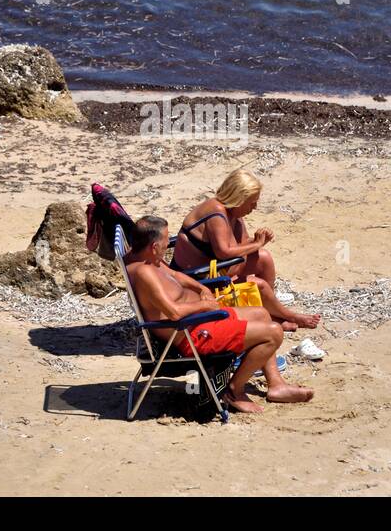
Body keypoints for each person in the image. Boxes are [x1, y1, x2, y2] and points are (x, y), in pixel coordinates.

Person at [125, 216, 313, 413]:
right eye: (165, 242)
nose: (167, 245)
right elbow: (173, 312)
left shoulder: (147, 258)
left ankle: (276, 385)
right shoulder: (144, 273)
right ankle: (233, 390)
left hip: (198, 322)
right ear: (154, 246)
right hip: (190, 335)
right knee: (274, 332)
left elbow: (175, 275)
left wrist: (201, 289)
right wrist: (203, 306)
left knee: (262, 314)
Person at [171, 168, 320, 331]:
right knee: (259, 285)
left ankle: (272, 313)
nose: (254, 207)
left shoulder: (232, 212)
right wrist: (256, 244)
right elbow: (224, 252)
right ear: (239, 198)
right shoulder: (216, 212)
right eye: (252, 202)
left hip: (217, 269)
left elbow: (241, 245)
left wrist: (257, 240)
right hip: (197, 279)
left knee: (264, 258)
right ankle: (288, 315)